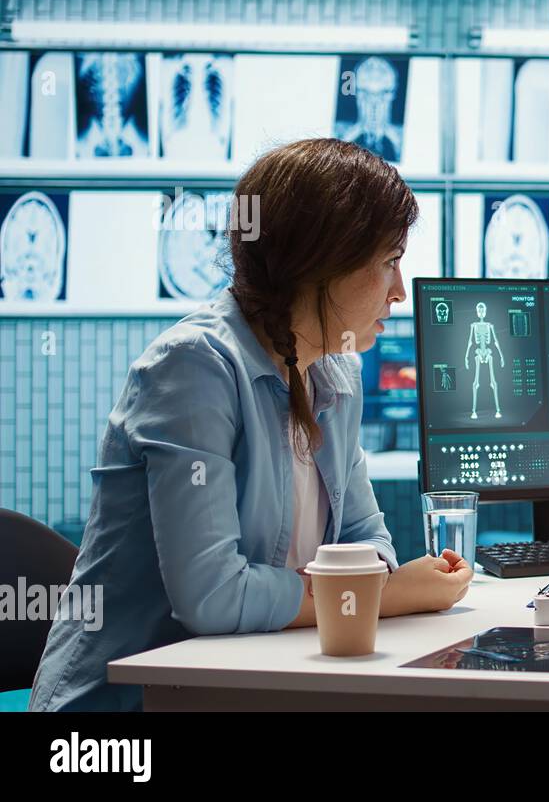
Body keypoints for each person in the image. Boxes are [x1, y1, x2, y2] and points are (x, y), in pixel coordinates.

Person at [30, 139, 473, 711]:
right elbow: (212, 598)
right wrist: (387, 595)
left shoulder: (334, 371)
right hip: (128, 708)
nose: (400, 291)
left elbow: (369, 542)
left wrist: (379, 586)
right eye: (389, 261)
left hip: (255, 685)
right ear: (321, 263)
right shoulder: (194, 367)